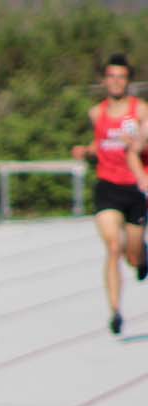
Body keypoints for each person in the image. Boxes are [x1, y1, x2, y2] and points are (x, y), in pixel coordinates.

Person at [72, 53, 148, 336]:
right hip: (107, 186)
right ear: (105, 80)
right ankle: (115, 310)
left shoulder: (140, 110)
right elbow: (99, 144)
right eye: (111, 76)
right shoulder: (97, 113)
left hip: (135, 188)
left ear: (128, 80)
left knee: (131, 254)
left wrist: (138, 143)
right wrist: (86, 151)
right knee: (113, 247)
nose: (116, 81)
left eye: (122, 76)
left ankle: (142, 258)